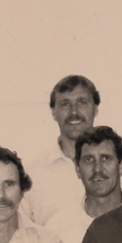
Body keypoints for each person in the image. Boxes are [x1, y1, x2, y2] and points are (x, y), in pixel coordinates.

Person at [22, 75, 102, 225]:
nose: (74, 112)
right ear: (53, 112)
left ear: (96, 108)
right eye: (65, 104)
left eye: (82, 103)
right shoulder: (32, 174)